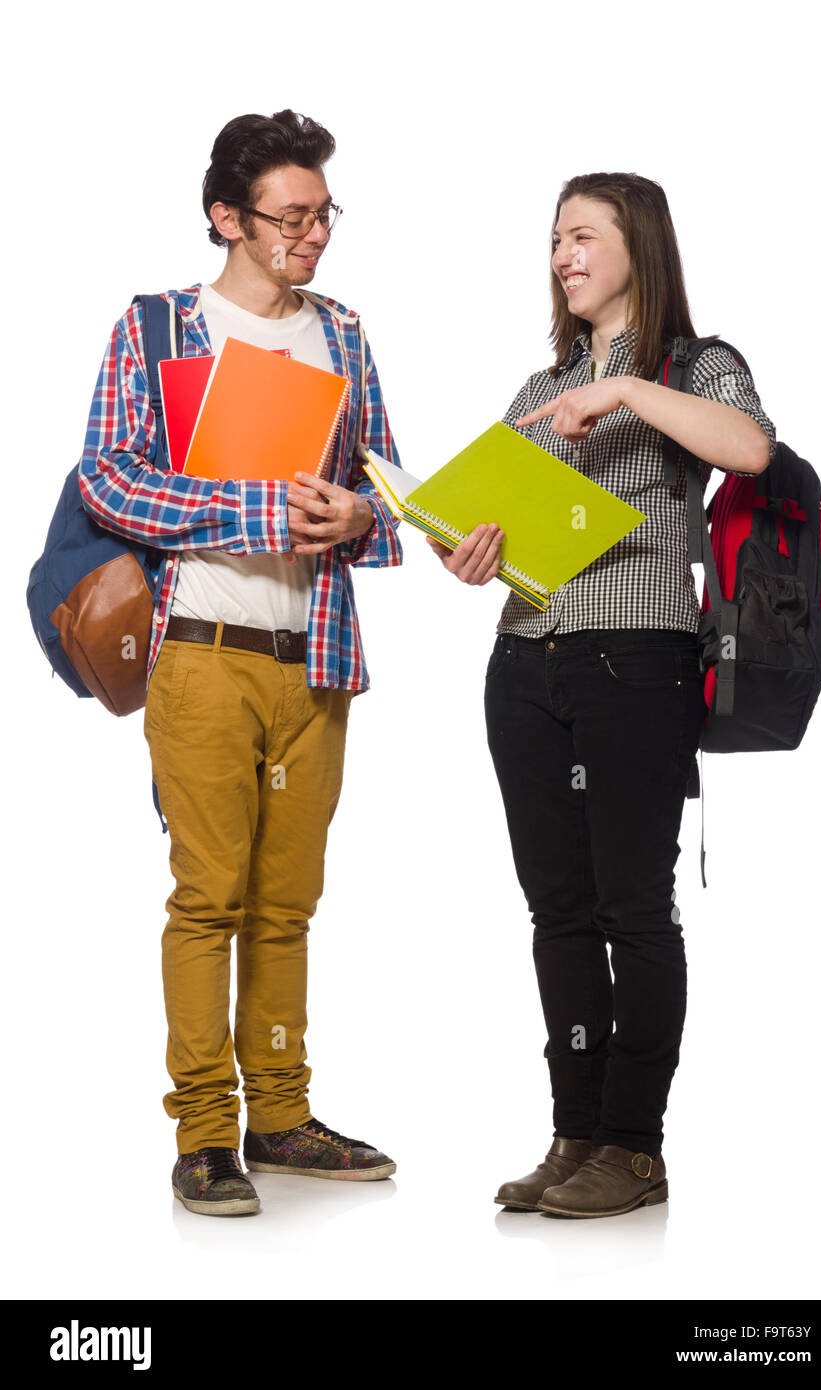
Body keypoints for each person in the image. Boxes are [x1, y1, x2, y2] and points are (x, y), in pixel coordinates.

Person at [426, 172, 776, 1219]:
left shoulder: (696, 366)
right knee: (560, 912)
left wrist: (622, 392)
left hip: (638, 662)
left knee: (635, 909)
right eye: (555, 239)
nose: (563, 254)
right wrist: (467, 548)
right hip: (526, 663)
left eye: (585, 235)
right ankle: (575, 1133)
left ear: (640, 247)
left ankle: (634, 1146)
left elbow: (749, 448)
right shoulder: (538, 388)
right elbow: (480, 516)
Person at [78, 109, 403, 1217]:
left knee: (287, 901)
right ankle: (206, 1133)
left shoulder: (344, 333)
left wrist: (357, 509)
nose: (313, 235)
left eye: (324, 215)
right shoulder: (161, 327)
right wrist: (260, 501)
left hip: (313, 656)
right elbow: (110, 482)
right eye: (291, 216)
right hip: (203, 654)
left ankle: (281, 1114)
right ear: (228, 217)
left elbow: (393, 504)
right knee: (208, 896)